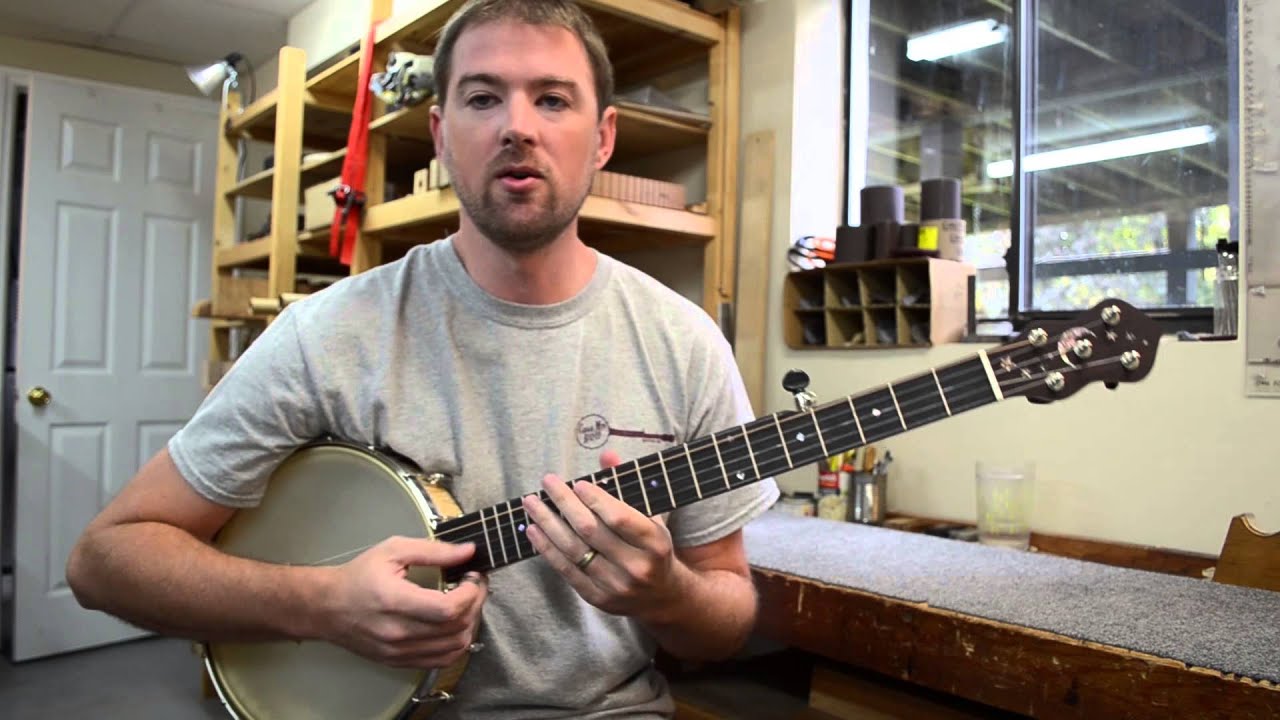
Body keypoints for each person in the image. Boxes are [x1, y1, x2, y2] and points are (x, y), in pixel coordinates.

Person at [65, 0, 779, 717]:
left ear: (602, 138)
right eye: (482, 97)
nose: (517, 127)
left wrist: (670, 595)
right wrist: (320, 604)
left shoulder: (683, 343)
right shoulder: (328, 334)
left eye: (553, 99)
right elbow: (106, 562)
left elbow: (725, 615)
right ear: (441, 133)